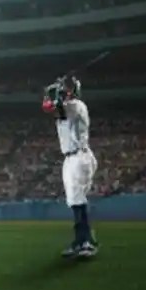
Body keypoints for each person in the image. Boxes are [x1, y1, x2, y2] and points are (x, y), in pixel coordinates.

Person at [43, 76, 99, 259]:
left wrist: (52, 92)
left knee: (78, 201)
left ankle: (86, 242)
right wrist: (50, 93)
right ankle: (81, 240)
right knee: (75, 201)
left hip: (79, 156)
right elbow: (49, 108)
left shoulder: (76, 105)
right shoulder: (66, 106)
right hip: (70, 158)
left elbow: (54, 108)